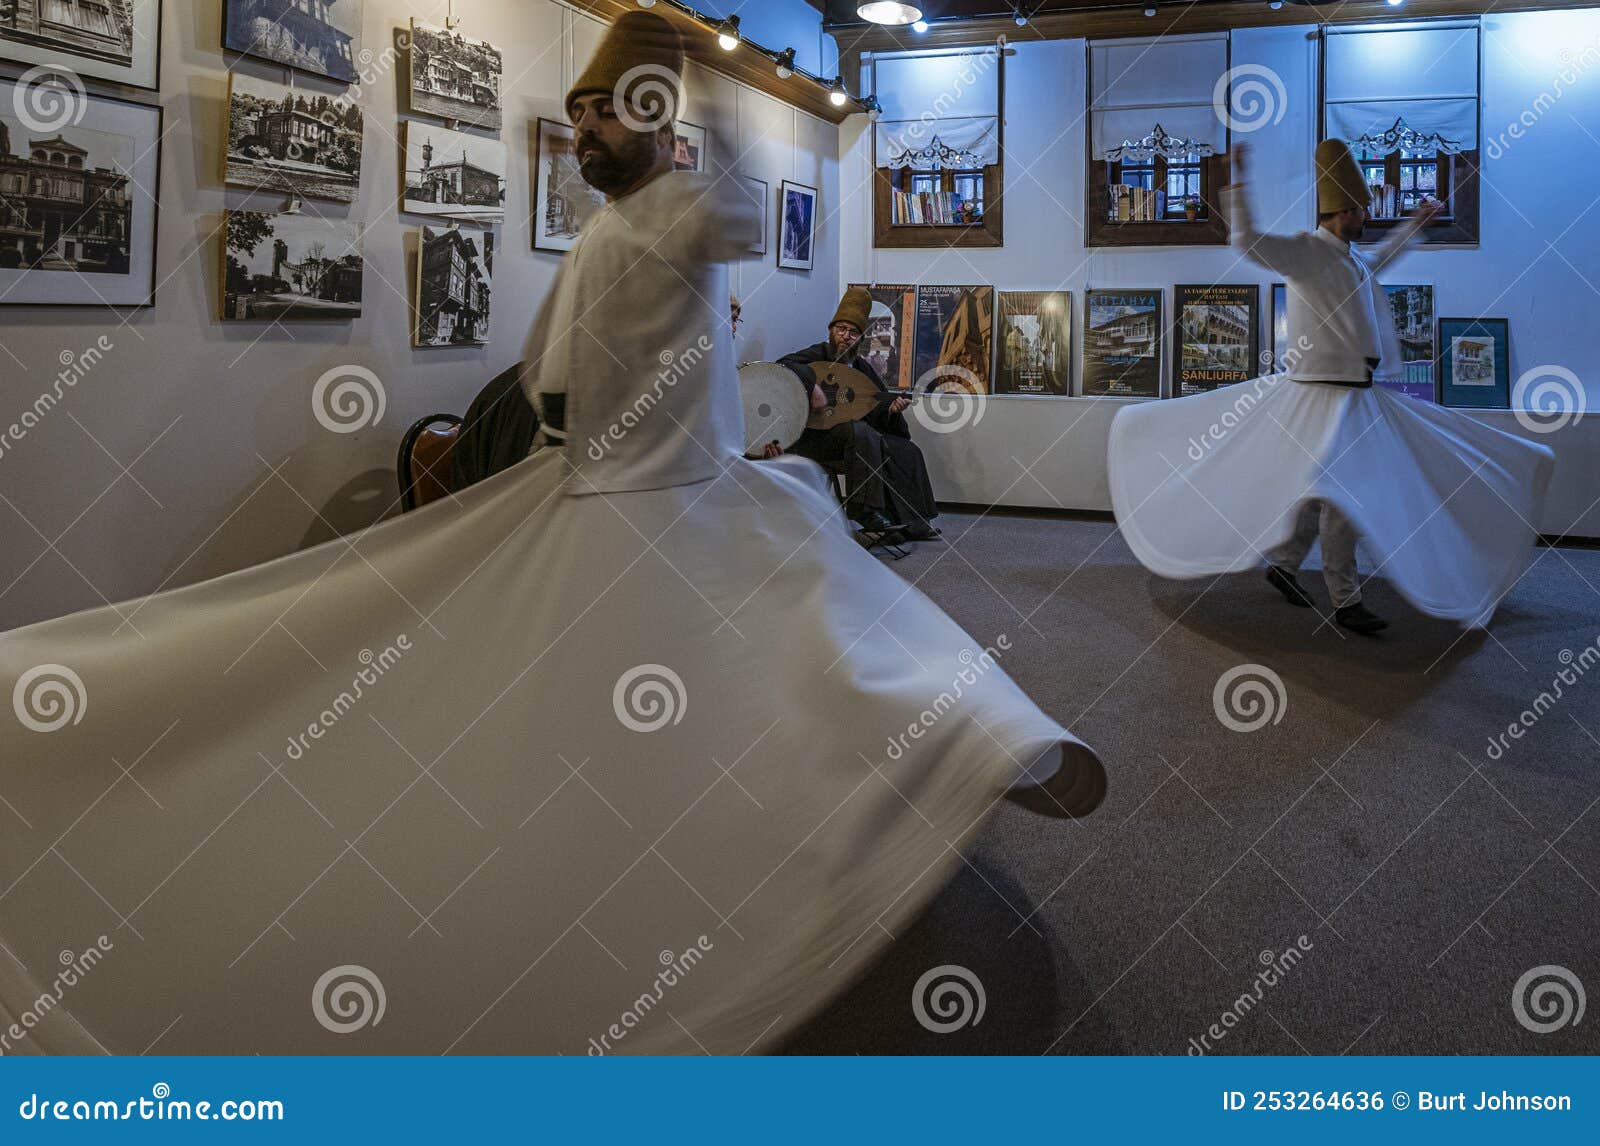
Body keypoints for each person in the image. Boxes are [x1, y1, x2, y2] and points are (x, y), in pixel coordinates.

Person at [0, 11, 1103, 1057]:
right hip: (582, 498)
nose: (582, 131)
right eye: (574, 114)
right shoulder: (610, 226)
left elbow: (734, 219)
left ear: (656, 121)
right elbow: (558, 379)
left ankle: (872, 814)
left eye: (604, 111)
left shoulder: (675, 206)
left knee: (787, 671)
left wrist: (702, 97)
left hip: (672, 508)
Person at [1107, 138, 1553, 632]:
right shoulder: (1304, 253)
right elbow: (1247, 241)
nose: (1367, 216)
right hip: (1320, 395)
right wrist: (1237, 182)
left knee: (1319, 492)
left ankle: (1283, 565)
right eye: (1362, 209)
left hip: (1355, 397)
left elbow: (1382, 257)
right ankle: (1345, 600)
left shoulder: (1352, 259)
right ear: (1343, 211)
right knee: (1346, 497)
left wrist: (1416, 226)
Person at [779, 288, 941, 541]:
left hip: (852, 440)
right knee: (862, 433)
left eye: (852, 333)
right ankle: (865, 511)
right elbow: (783, 366)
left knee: (905, 450)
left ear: (861, 338)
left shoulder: (862, 368)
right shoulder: (817, 354)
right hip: (814, 438)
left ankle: (915, 523)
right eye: (840, 329)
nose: (845, 337)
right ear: (830, 330)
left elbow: (874, 404)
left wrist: (890, 409)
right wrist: (813, 386)